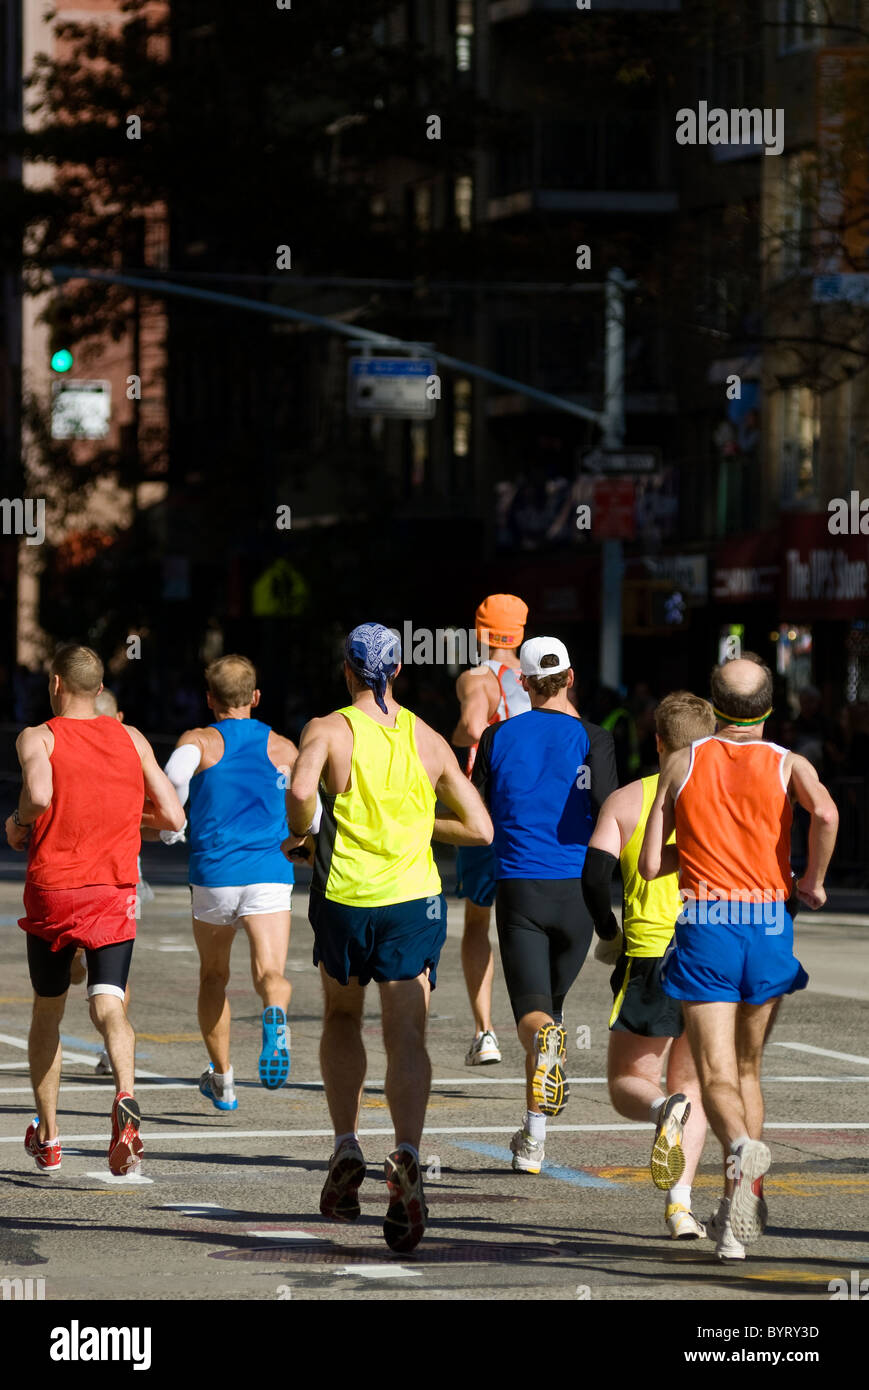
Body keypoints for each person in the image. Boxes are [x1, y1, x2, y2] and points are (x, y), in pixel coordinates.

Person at [287, 623, 492, 1252]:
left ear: (347, 670)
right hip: (413, 905)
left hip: (346, 899)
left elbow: (300, 790)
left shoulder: (328, 728)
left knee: (343, 1018)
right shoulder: (428, 739)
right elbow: (480, 827)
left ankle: (347, 1144)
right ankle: (405, 1153)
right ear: (396, 672)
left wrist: (300, 834)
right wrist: (417, 823)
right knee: (407, 1034)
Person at [639, 654, 839, 1260]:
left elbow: (650, 864)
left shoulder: (683, 760)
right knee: (749, 1070)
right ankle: (735, 1210)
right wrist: (814, 882)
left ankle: (736, 1152)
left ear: (715, 703)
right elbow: (826, 813)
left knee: (715, 1075)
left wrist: (693, 849)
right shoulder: (789, 762)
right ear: (769, 706)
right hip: (769, 921)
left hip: (709, 924)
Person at [7, 644, 184, 1175]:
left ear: (56, 684)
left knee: (48, 1010)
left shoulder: (39, 735)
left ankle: (51, 1139)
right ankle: (125, 1096)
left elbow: (38, 795)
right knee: (109, 1005)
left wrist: (18, 825)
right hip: (114, 889)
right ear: (100, 689)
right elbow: (174, 817)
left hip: (55, 891)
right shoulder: (131, 738)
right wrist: (129, 818)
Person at [470, 636, 617, 1173]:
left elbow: (476, 812)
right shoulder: (595, 737)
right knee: (551, 1010)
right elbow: (608, 808)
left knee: (534, 1014)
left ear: (523, 683)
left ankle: (535, 1136)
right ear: (571, 678)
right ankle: (533, 1141)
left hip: (520, 888)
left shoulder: (497, 735)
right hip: (579, 890)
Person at [582, 691, 715, 1240]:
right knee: (698, 1085)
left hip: (650, 951)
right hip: (713, 953)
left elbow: (594, 878)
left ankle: (664, 1109)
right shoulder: (722, 801)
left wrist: (609, 934)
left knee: (626, 1082)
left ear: (657, 741)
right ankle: (681, 1207)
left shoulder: (628, 800)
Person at [158, 655, 300, 1110]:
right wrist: (304, 833)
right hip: (269, 873)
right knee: (271, 973)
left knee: (214, 976)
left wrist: (173, 821)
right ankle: (274, 1014)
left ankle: (223, 1078)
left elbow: (174, 776)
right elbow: (308, 802)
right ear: (255, 698)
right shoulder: (282, 746)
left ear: (209, 699)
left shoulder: (199, 740)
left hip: (215, 875)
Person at [451, 593, 531, 1067]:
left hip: (486, 811)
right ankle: (545, 1029)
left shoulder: (477, 678)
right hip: (537, 816)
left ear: (480, 633)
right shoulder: (545, 676)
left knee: (478, 920)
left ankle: (485, 1032)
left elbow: (472, 725)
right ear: (520, 634)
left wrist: (456, 742)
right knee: (529, 921)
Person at [70, 687, 150, 1077]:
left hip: (73, 879)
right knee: (113, 977)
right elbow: (166, 810)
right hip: (120, 880)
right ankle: (114, 1057)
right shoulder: (132, 746)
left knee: (71, 976)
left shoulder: (60, 742)